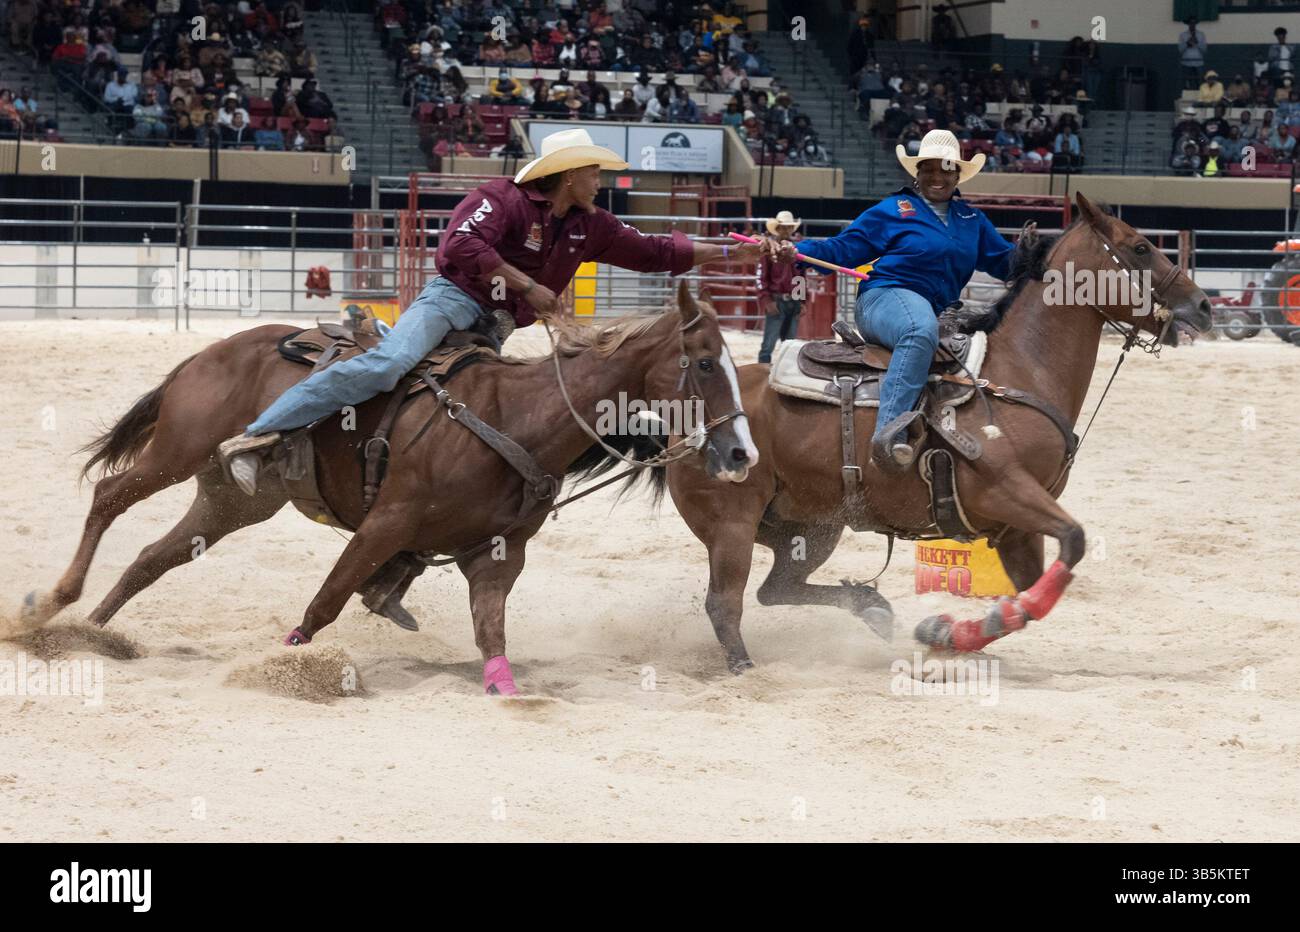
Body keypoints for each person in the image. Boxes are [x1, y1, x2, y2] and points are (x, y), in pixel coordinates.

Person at [217, 128, 764, 491]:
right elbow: (458, 247)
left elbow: (654, 252)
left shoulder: (589, 225)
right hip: (453, 303)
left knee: (472, 422)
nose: (601, 180)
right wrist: (529, 286)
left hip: (495, 327)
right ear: (570, 175)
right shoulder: (501, 199)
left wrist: (728, 250)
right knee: (387, 366)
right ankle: (258, 434)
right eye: (595, 171)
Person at [763, 130, 1017, 473]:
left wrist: (1043, 261)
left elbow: (1005, 262)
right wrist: (798, 252)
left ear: (958, 174)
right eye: (928, 168)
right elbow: (843, 249)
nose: (937, 176)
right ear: (917, 172)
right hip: (885, 296)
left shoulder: (972, 220)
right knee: (918, 331)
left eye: (945, 169)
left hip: (941, 309)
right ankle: (887, 434)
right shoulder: (893, 210)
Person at [757, 211, 803, 364]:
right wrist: (767, 300)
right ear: (777, 228)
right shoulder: (769, 249)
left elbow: (801, 276)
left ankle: (785, 375)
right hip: (776, 300)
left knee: (789, 345)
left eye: (789, 227)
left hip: (793, 300)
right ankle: (763, 374)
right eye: (783, 227)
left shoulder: (796, 249)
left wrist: (802, 301)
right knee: (768, 345)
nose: (786, 230)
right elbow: (761, 277)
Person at [1178, 16, 1207, 91]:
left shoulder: (1201, 34)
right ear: (1188, 24)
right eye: (1191, 23)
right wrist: (1187, 44)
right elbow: (1180, 50)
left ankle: (1200, 99)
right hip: (1186, 62)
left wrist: (1197, 43)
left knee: (1200, 83)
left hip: (1199, 62)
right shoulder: (1183, 35)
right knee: (1186, 83)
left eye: (1194, 23)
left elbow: (1204, 50)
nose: (1192, 25)